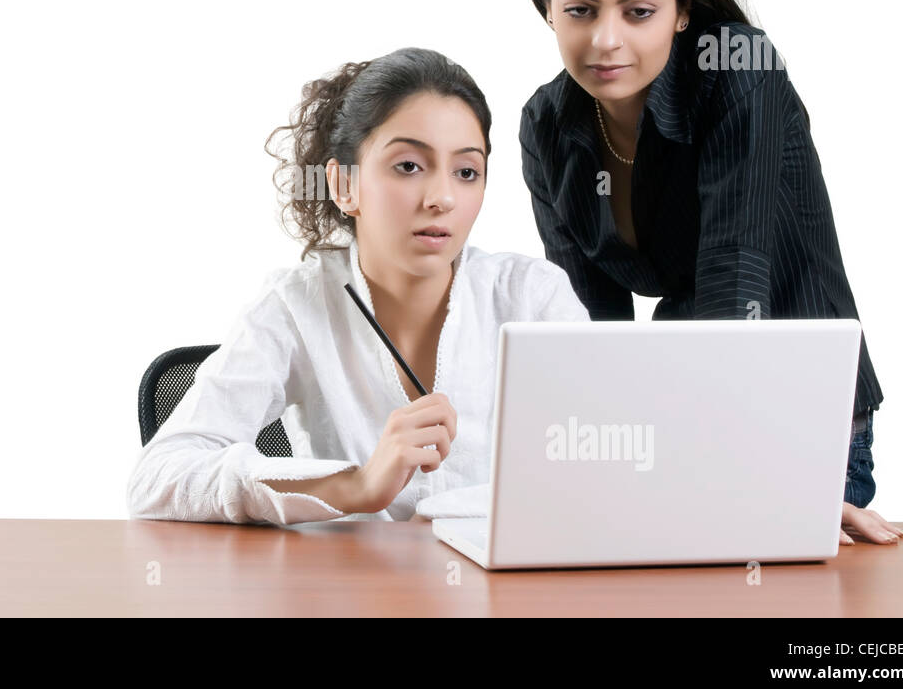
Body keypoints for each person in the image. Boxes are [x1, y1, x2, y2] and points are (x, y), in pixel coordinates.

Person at [519, 0, 903, 545]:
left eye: (638, 11)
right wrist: (593, 467)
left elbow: (735, 285)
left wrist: (746, 479)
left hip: (796, 408)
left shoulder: (739, 72)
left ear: (683, 9)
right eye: (580, 9)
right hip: (683, 407)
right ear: (548, 6)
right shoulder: (547, 124)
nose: (606, 40)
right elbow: (588, 328)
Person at [126, 47, 590, 524]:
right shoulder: (295, 305)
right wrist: (357, 485)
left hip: (506, 592)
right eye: (408, 166)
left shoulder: (533, 297)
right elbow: (157, 478)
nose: (442, 198)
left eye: (466, 172)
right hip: (349, 592)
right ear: (344, 185)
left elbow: (611, 458)